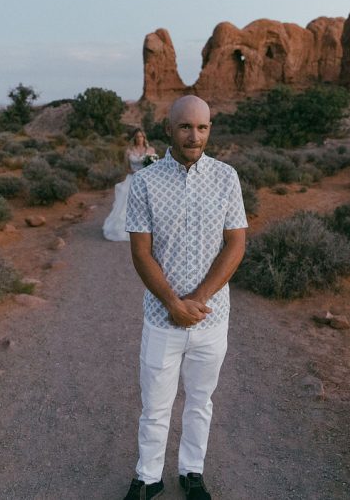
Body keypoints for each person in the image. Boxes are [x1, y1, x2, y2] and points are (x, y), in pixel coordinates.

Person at [122, 95, 248, 500]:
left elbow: (236, 244)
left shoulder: (227, 177)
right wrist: (173, 303)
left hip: (212, 318)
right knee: (155, 406)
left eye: (203, 127)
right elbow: (140, 251)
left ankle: (192, 471)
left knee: (200, 400)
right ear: (169, 130)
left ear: (210, 129)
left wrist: (197, 298)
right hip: (162, 320)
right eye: (185, 127)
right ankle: (147, 478)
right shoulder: (144, 183)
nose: (194, 136)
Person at [103, 129, 156, 241]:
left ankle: (146, 229)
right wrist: (133, 172)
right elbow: (126, 168)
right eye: (137, 136)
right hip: (132, 178)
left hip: (146, 179)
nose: (139, 139)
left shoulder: (150, 150)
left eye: (141, 136)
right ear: (134, 138)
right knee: (128, 203)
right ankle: (128, 229)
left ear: (144, 138)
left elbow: (154, 167)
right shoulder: (129, 151)